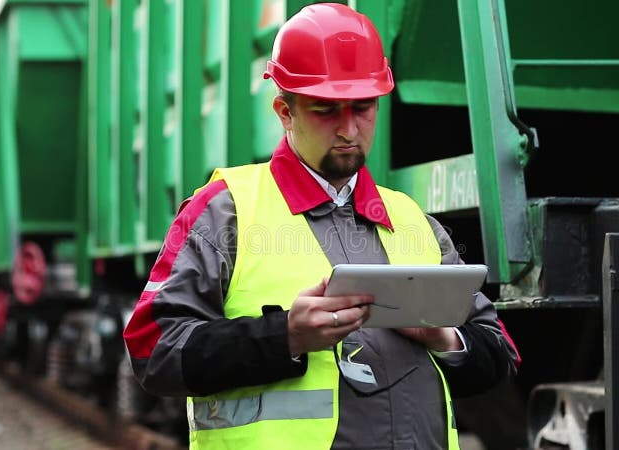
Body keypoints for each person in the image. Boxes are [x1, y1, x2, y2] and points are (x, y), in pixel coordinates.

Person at [123, 3, 520, 449]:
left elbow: (498, 353)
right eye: (325, 109)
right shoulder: (225, 211)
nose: (349, 128)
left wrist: (443, 336)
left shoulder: (413, 221)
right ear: (284, 111)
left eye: (363, 107)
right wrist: (284, 336)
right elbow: (151, 349)